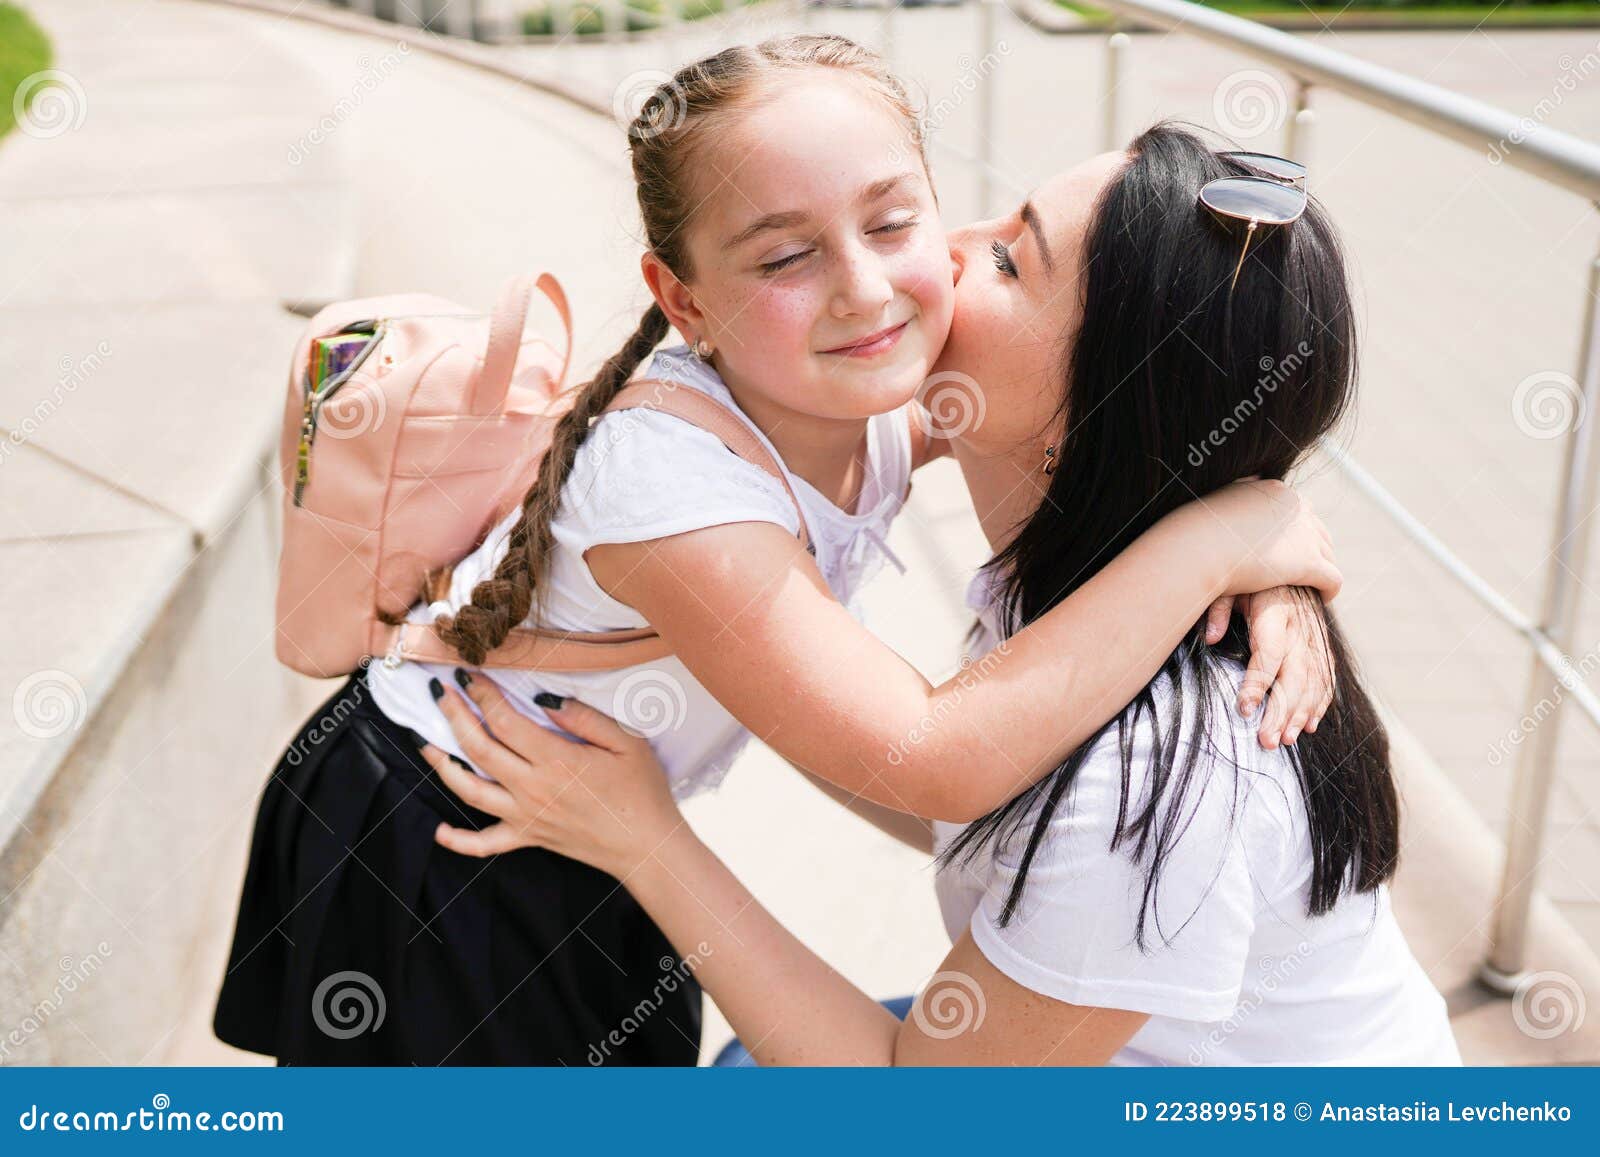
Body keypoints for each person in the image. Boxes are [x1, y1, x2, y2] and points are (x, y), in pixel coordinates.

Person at [213, 38, 1337, 1067]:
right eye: (786, 255)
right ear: (683, 302)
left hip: (580, 809)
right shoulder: (669, 486)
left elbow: (1135, 431)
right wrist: (1215, 543)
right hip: (450, 829)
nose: (861, 286)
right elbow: (926, 753)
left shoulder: (884, 386)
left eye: (892, 224)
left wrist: (1268, 554)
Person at [423, 124, 1460, 1066]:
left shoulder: (1161, 756)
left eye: (1008, 260)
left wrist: (645, 839)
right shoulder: (1100, 594)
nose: (944, 250)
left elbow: (914, 1105)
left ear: (1095, 407)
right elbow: (993, 811)